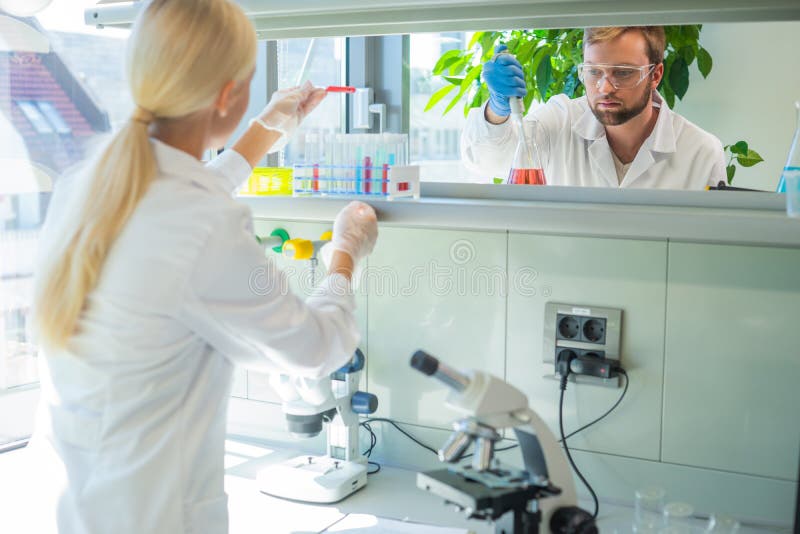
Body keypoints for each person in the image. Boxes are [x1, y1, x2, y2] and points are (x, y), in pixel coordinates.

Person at [28, 1, 377, 533]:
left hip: (68, 509)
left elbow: (178, 207)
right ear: (224, 95)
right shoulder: (198, 219)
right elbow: (316, 350)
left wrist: (266, 128)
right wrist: (345, 254)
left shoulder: (89, 182)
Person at [461, 26, 727, 189]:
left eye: (622, 73)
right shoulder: (560, 120)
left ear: (655, 75)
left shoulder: (701, 152)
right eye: (593, 71)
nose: (604, 87)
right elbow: (487, 162)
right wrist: (498, 110)